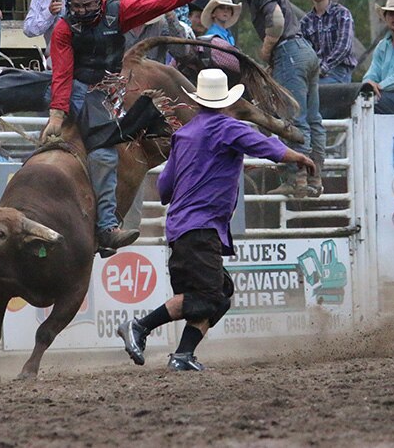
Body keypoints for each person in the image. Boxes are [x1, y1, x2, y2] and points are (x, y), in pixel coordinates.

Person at [117, 68, 317, 371]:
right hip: (201, 227)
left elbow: (165, 188)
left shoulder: (184, 134)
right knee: (208, 297)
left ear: (198, 102)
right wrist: (299, 157)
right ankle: (140, 326)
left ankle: (183, 355)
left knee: (219, 294)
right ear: (227, 102)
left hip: (183, 228)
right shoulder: (227, 128)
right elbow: (266, 146)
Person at [42, 0, 212, 254]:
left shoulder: (117, 11)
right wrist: (57, 114)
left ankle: (106, 223)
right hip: (80, 85)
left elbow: (161, 2)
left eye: (87, 4)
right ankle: (106, 225)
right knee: (103, 151)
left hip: (109, 85)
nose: (82, 10)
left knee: (115, 144)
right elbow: (62, 73)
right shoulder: (64, 28)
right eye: (77, 5)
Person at [216, 0, 324, 196]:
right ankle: (315, 177)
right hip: (304, 52)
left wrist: (266, 50)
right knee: (313, 118)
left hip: (288, 52)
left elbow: (276, 20)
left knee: (293, 117)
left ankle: (297, 179)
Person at [297, 0, 357, 83]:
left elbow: (344, 46)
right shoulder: (305, 21)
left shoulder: (341, 13)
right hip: (315, 72)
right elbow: (303, 50)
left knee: (314, 89)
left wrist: (324, 68)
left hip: (339, 70)